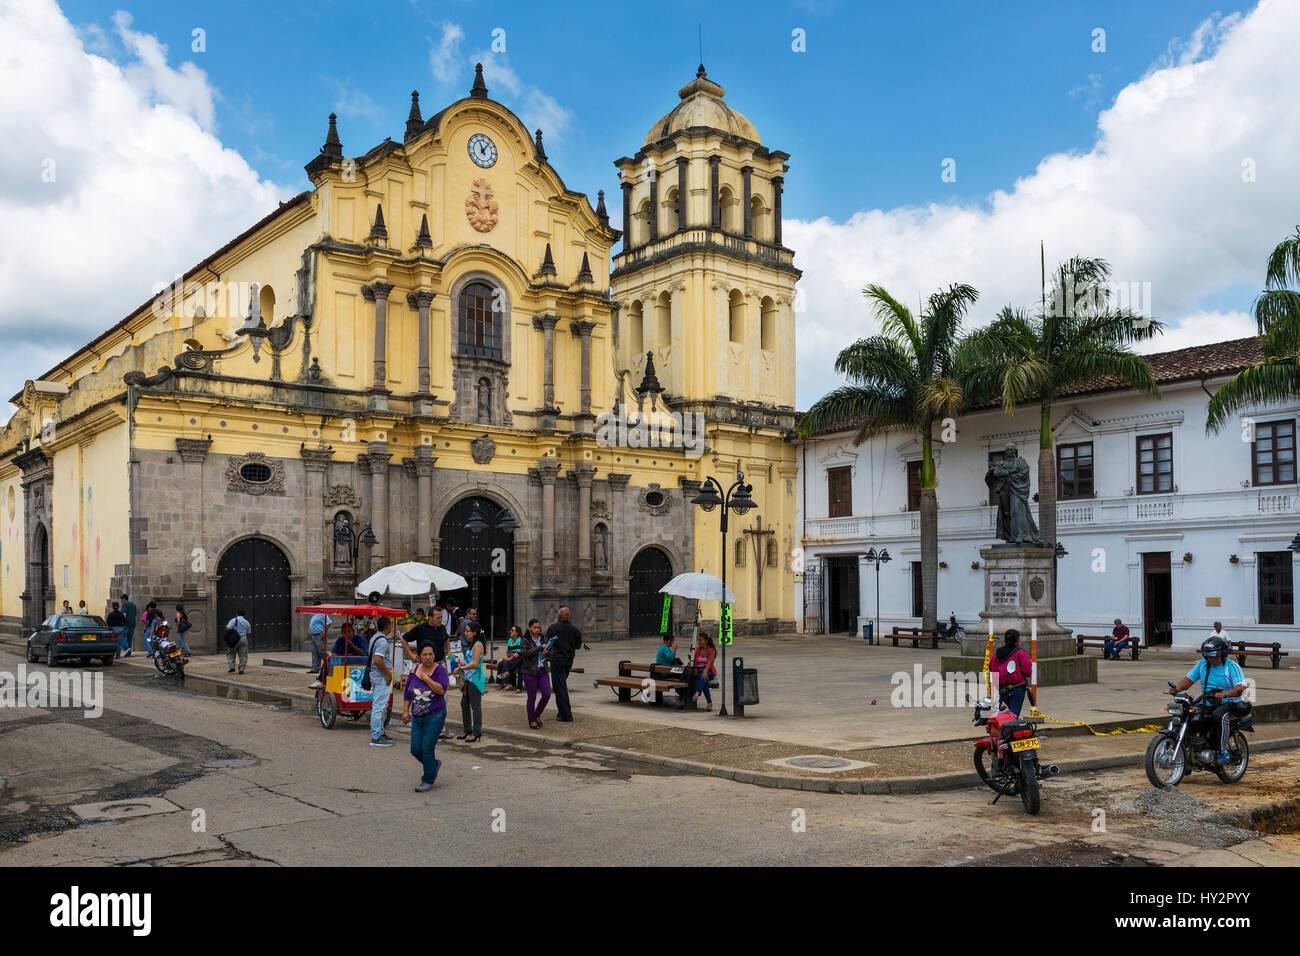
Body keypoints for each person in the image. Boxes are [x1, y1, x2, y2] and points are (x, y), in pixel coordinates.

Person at [1169, 635, 1249, 763]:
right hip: (1207, 702)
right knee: (1189, 714)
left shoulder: (1231, 667)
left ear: (1222, 655)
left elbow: (1239, 688)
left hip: (1228, 703)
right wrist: (1177, 689)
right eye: (1209, 656)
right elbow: (1189, 680)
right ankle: (1188, 750)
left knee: (1219, 716)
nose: (1212, 659)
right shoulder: (1203, 664)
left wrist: (1225, 694)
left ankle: (1222, 751)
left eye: (1215, 656)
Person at [403, 639, 448, 791]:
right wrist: (405, 711)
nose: (428, 657)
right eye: (425, 654)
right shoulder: (413, 670)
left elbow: (441, 690)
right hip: (417, 717)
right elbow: (407, 693)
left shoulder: (440, 670)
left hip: (435, 715)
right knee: (415, 749)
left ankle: (427, 779)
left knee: (427, 748)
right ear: (419, 656)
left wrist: (426, 678)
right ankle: (433, 765)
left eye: (430, 654)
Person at [544, 606, 582, 722]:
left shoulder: (553, 628)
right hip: (569, 661)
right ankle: (561, 713)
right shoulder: (575, 630)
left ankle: (566, 715)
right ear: (568, 617)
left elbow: (547, 644)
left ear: (559, 616)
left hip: (557, 660)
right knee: (560, 686)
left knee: (560, 687)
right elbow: (578, 646)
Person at [455, 620, 486, 742]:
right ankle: (467, 729)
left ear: (474, 633)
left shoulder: (478, 644)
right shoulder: (472, 644)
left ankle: (476, 731)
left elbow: (475, 664)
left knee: (475, 707)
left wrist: (460, 668)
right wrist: (462, 663)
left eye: (468, 631)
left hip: (475, 679)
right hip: (469, 679)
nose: (465, 633)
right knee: (464, 704)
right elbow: (470, 661)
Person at [990, 629, 1034, 716]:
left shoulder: (997, 654)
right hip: (1017, 688)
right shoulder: (1020, 653)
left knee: (1011, 713)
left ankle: (1005, 727)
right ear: (1017, 640)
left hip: (1002, 690)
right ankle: (1008, 729)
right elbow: (1028, 672)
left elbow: (992, 668)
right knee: (1013, 716)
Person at [368, 617, 397, 747]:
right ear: (388, 626)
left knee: (381, 706)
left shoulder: (375, 637)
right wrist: (388, 673)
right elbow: (378, 660)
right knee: (379, 707)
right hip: (381, 678)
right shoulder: (383, 642)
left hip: (377, 677)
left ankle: (380, 732)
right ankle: (376, 736)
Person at [519, 618, 551, 729]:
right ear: (529, 628)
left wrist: (547, 652)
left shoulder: (543, 638)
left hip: (543, 670)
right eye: (534, 628)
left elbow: (549, 652)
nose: (537, 630)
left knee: (547, 694)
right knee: (531, 697)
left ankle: (537, 714)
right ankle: (531, 719)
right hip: (529, 672)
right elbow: (525, 653)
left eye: (538, 627)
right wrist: (539, 648)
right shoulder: (525, 640)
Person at [684, 633, 718, 711]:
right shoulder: (697, 650)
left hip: (709, 671)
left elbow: (709, 663)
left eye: (700, 640)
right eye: (698, 640)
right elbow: (695, 662)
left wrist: (705, 672)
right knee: (704, 682)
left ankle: (696, 693)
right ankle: (709, 703)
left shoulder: (711, 651)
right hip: (698, 671)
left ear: (706, 641)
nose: (699, 642)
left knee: (703, 678)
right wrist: (691, 658)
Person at [495, 624, 525, 691]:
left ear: (517, 632)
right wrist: (507, 657)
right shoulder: (510, 640)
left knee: (506, 663)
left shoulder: (520, 640)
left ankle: (508, 684)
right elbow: (509, 652)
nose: (510, 631)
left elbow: (519, 653)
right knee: (501, 664)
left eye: (512, 630)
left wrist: (510, 658)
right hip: (510, 659)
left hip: (517, 661)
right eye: (510, 630)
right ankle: (501, 683)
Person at [225, 610, 251, 674]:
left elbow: (228, 628)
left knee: (231, 652)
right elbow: (249, 631)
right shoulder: (246, 622)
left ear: (237, 614)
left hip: (234, 638)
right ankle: (241, 669)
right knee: (243, 654)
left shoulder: (234, 620)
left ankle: (232, 667)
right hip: (243, 638)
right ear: (244, 615)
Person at [308, 609, 332, 677]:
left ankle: (330, 664)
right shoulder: (315, 614)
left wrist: (324, 631)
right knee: (314, 652)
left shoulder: (322, 614)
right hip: (314, 636)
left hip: (319, 635)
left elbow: (329, 622)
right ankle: (315, 668)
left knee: (322, 651)